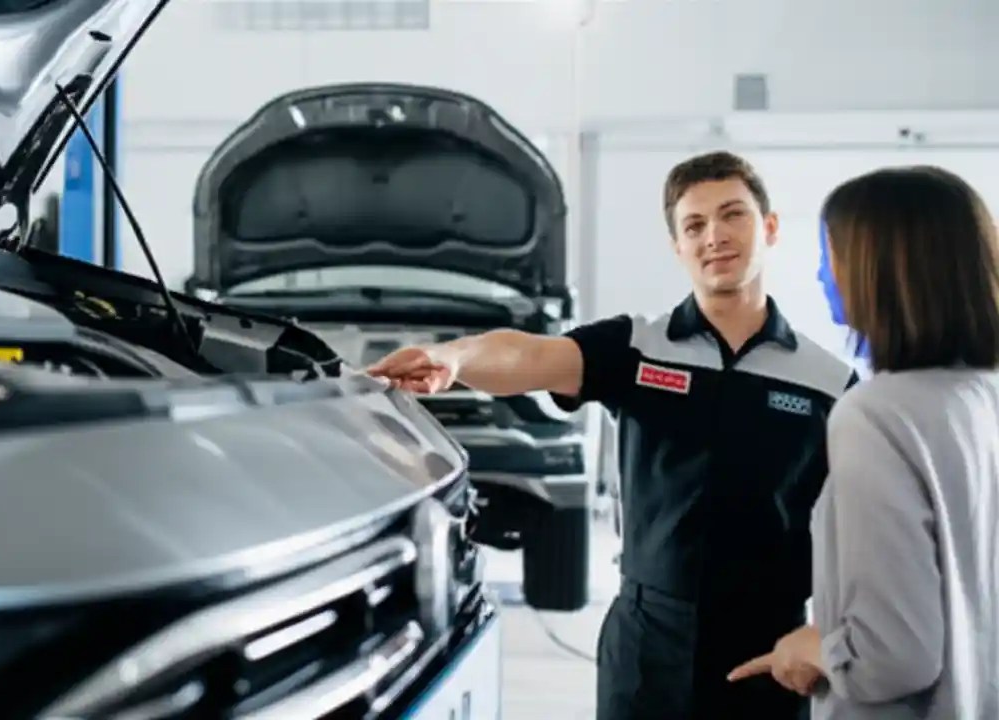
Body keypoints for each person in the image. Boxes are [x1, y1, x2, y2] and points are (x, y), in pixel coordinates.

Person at [367, 150, 859, 720]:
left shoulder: (828, 382)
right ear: (678, 246)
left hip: (767, 648)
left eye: (733, 216)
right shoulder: (638, 348)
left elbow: (867, 534)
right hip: (647, 641)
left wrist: (829, 633)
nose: (714, 237)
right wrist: (449, 357)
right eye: (694, 225)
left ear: (769, 227)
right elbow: (528, 352)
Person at [727, 165, 999, 719]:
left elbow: (892, 659)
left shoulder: (875, 415)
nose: (823, 274)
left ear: (887, 268)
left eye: (832, 254)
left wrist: (813, 648)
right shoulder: (982, 396)